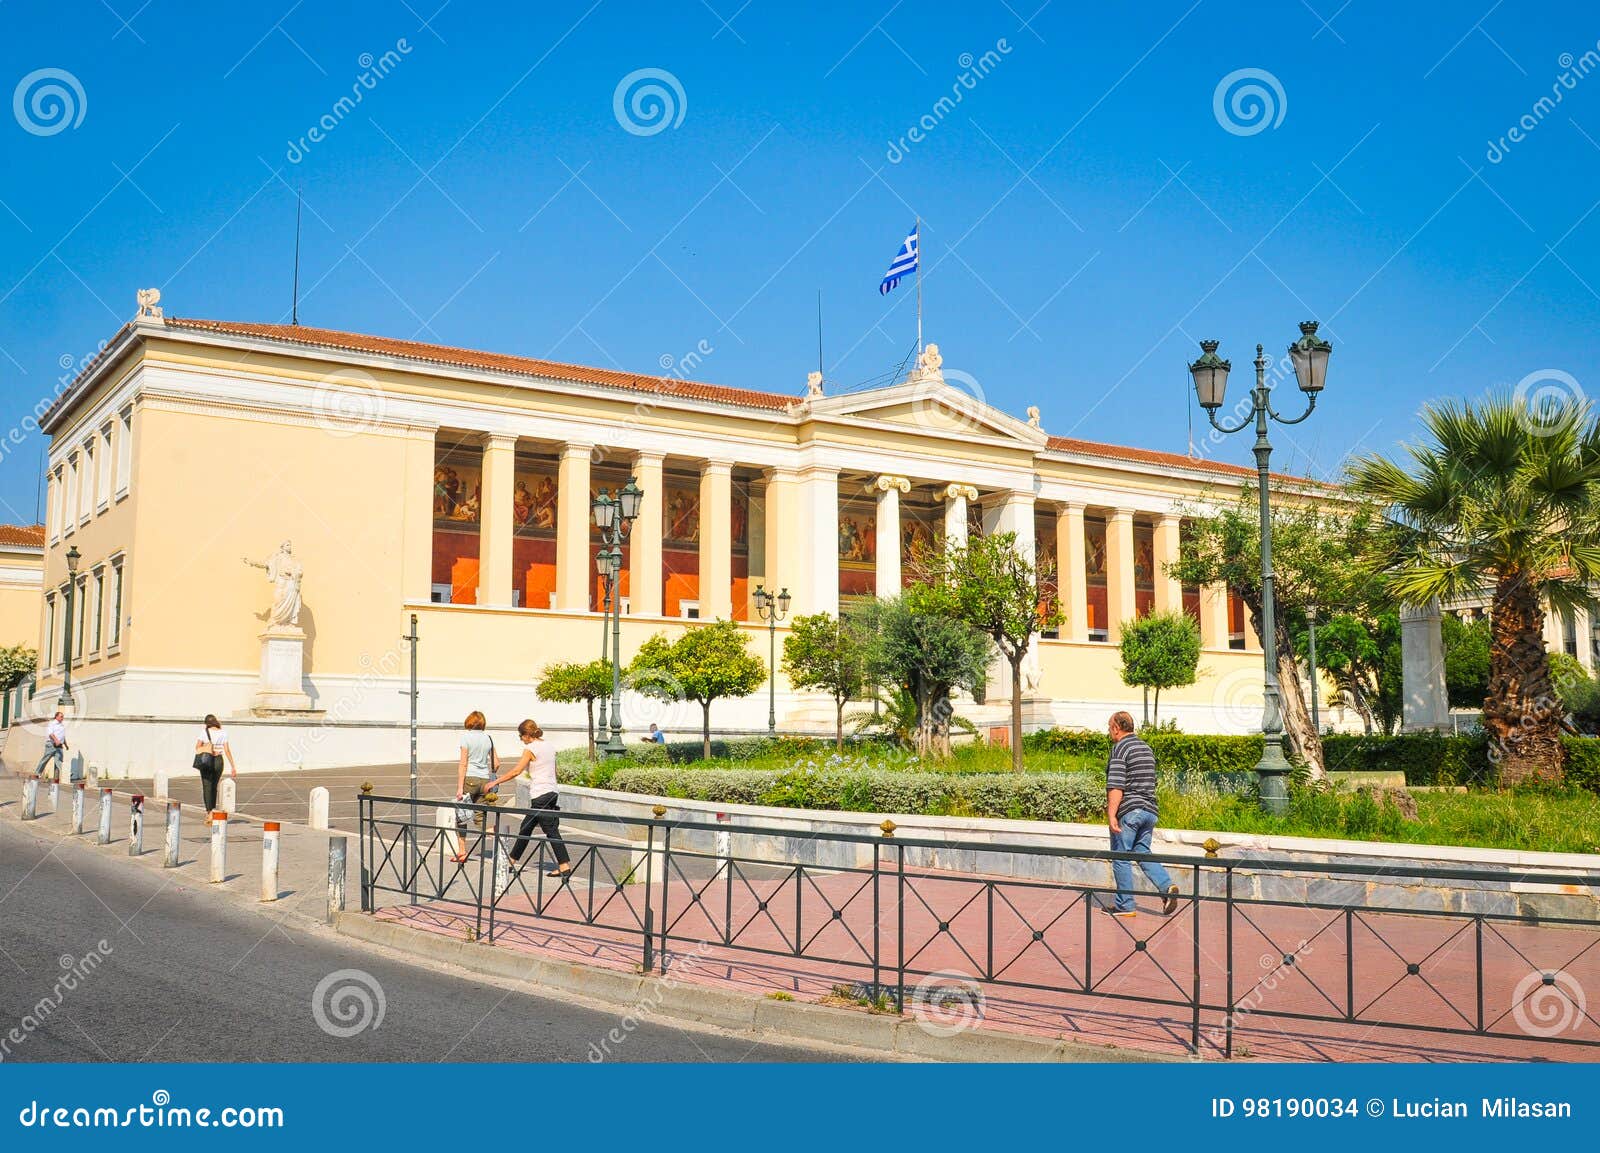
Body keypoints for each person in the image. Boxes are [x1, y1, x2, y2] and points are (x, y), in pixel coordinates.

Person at [1104, 710, 1179, 918]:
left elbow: (1116, 784)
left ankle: (1125, 905)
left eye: (1109, 726)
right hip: (1149, 811)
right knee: (1141, 851)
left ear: (1116, 727)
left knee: (1120, 857)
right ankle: (1166, 887)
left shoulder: (1120, 748)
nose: (1109, 731)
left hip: (1130, 812)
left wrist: (1112, 815)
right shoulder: (1146, 747)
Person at [487, 719, 571, 880]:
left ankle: (564, 866)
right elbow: (554, 769)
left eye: (521, 736)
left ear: (526, 735)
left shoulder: (530, 748)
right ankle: (511, 861)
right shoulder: (549, 746)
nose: (521, 739)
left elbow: (516, 771)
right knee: (527, 827)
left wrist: (496, 782)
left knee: (550, 831)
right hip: (552, 791)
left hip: (540, 794)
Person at [452, 711, 499, 862]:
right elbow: (497, 763)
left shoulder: (466, 737)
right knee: (479, 816)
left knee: (461, 816)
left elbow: (463, 763)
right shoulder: (488, 738)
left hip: (470, 779)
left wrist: (460, 787)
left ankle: (462, 852)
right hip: (485, 780)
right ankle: (491, 830)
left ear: (469, 722)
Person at [193, 714, 237, 822]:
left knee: (207, 786)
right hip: (219, 761)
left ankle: (210, 812)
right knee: (213, 786)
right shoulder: (223, 732)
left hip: (207, 760)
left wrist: (210, 749)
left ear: (207, 723)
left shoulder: (204, 732)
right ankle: (212, 810)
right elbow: (227, 750)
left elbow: (197, 747)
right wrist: (233, 766)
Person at [34, 711, 67, 782]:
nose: (62, 718)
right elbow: (50, 734)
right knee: (45, 759)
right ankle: (37, 773)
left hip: (59, 746)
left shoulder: (62, 726)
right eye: (61, 716)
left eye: (63, 717)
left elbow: (63, 737)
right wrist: (56, 740)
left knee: (59, 761)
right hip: (51, 745)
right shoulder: (52, 724)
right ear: (56, 717)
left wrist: (66, 745)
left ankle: (61, 776)